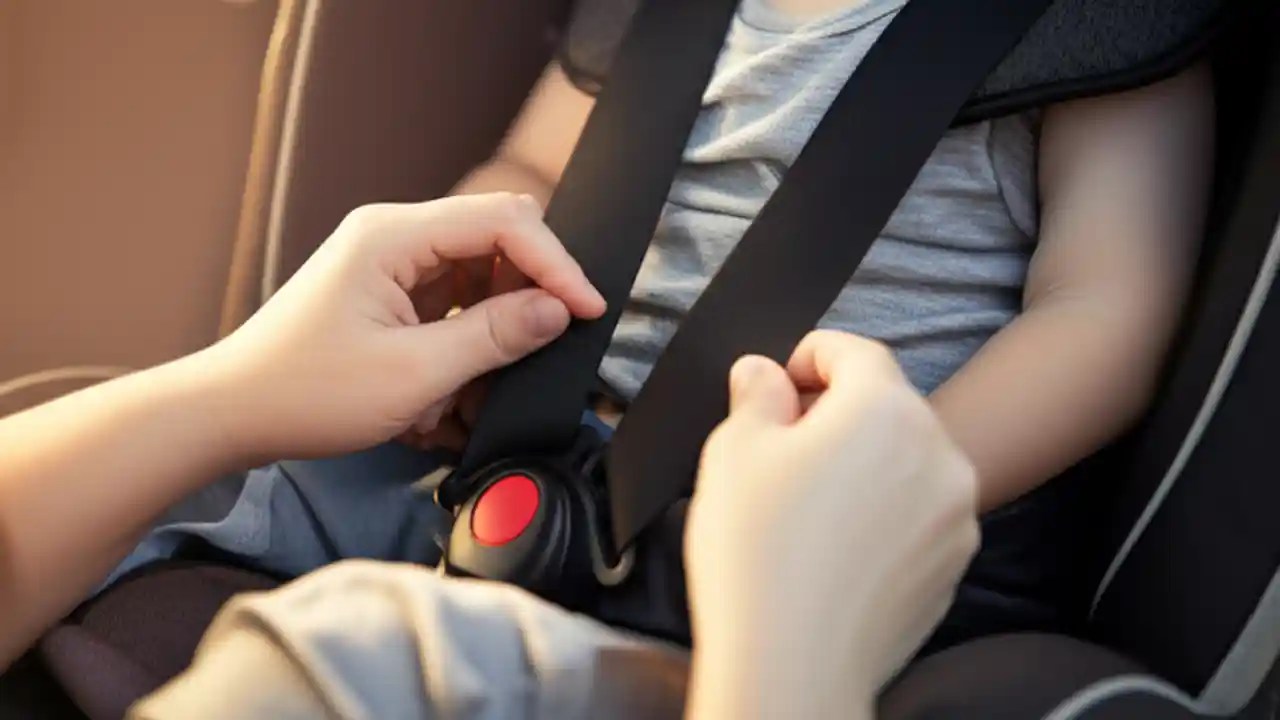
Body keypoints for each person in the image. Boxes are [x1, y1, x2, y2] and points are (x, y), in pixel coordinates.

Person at [0, 193, 981, 718]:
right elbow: (532, 159)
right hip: (555, 445)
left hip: (720, 482)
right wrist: (791, 655)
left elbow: (1101, 307)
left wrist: (227, 398)